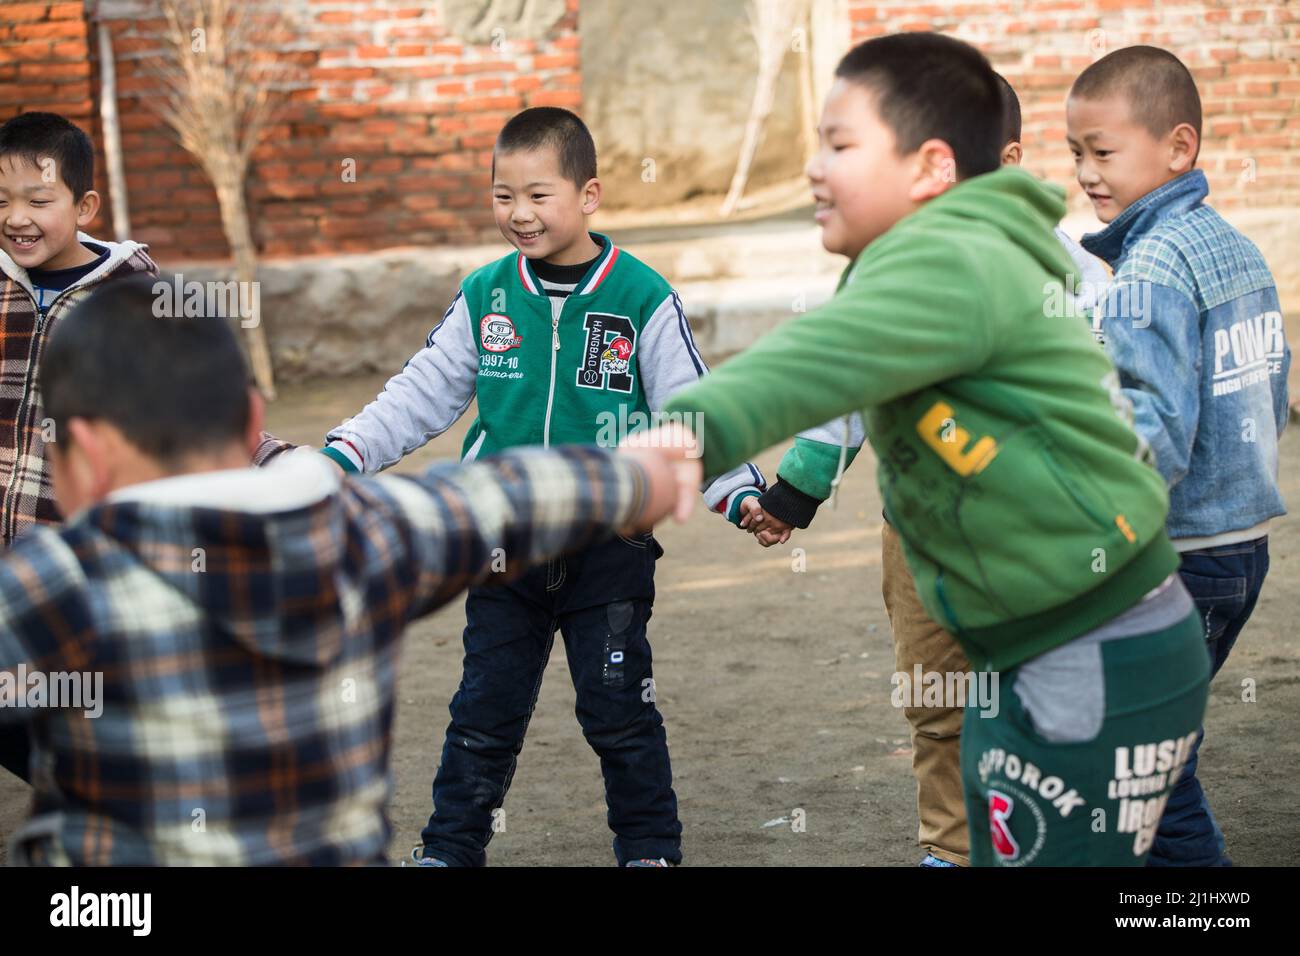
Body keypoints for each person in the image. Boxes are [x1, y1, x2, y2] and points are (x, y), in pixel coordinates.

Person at [641, 31, 1210, 866]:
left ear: (932, 168)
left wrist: (658, 452)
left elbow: (799, 371)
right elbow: (844, 377)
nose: (812, 168)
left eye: (839, 144)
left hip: (1085, 642)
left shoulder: (953, 264)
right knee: (983, 779)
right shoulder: (919, 262)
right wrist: (795, 485)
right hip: (1038, 625)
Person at [0, 274, 684, 865]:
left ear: (80, 455)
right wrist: (636, 480)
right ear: (251, 422)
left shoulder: (45, 584)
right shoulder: (359, 537)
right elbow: (502, 497)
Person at [320, 107, 765, 867]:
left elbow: (689, 408)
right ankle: (448, 849)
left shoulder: (641, 297)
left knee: (618, 708)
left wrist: (739, 493)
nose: (518, 214)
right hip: (503, 544)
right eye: (502, 196)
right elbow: (421, 392)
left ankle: (650, 848)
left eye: (537, 195)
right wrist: (345, 454)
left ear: (588, 195)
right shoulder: (488, 293)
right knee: (483, 711)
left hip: (611, 545)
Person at [737, 71, 1112, 868]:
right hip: (924, 535)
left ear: (1006, 161)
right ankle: (951, 845)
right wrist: (793, 494)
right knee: (939, 697)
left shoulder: (1075, 272)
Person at [1068, 45, 1290, 866]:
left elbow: (1151, 433)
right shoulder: (1233, 247)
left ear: (1179, 148)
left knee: (1142, 768)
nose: (1087, 173)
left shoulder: (1149, 270)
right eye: (1076, 154)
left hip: (1177, 553)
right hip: (1241, 545)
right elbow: (1273, 384)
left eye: (1104, 151)